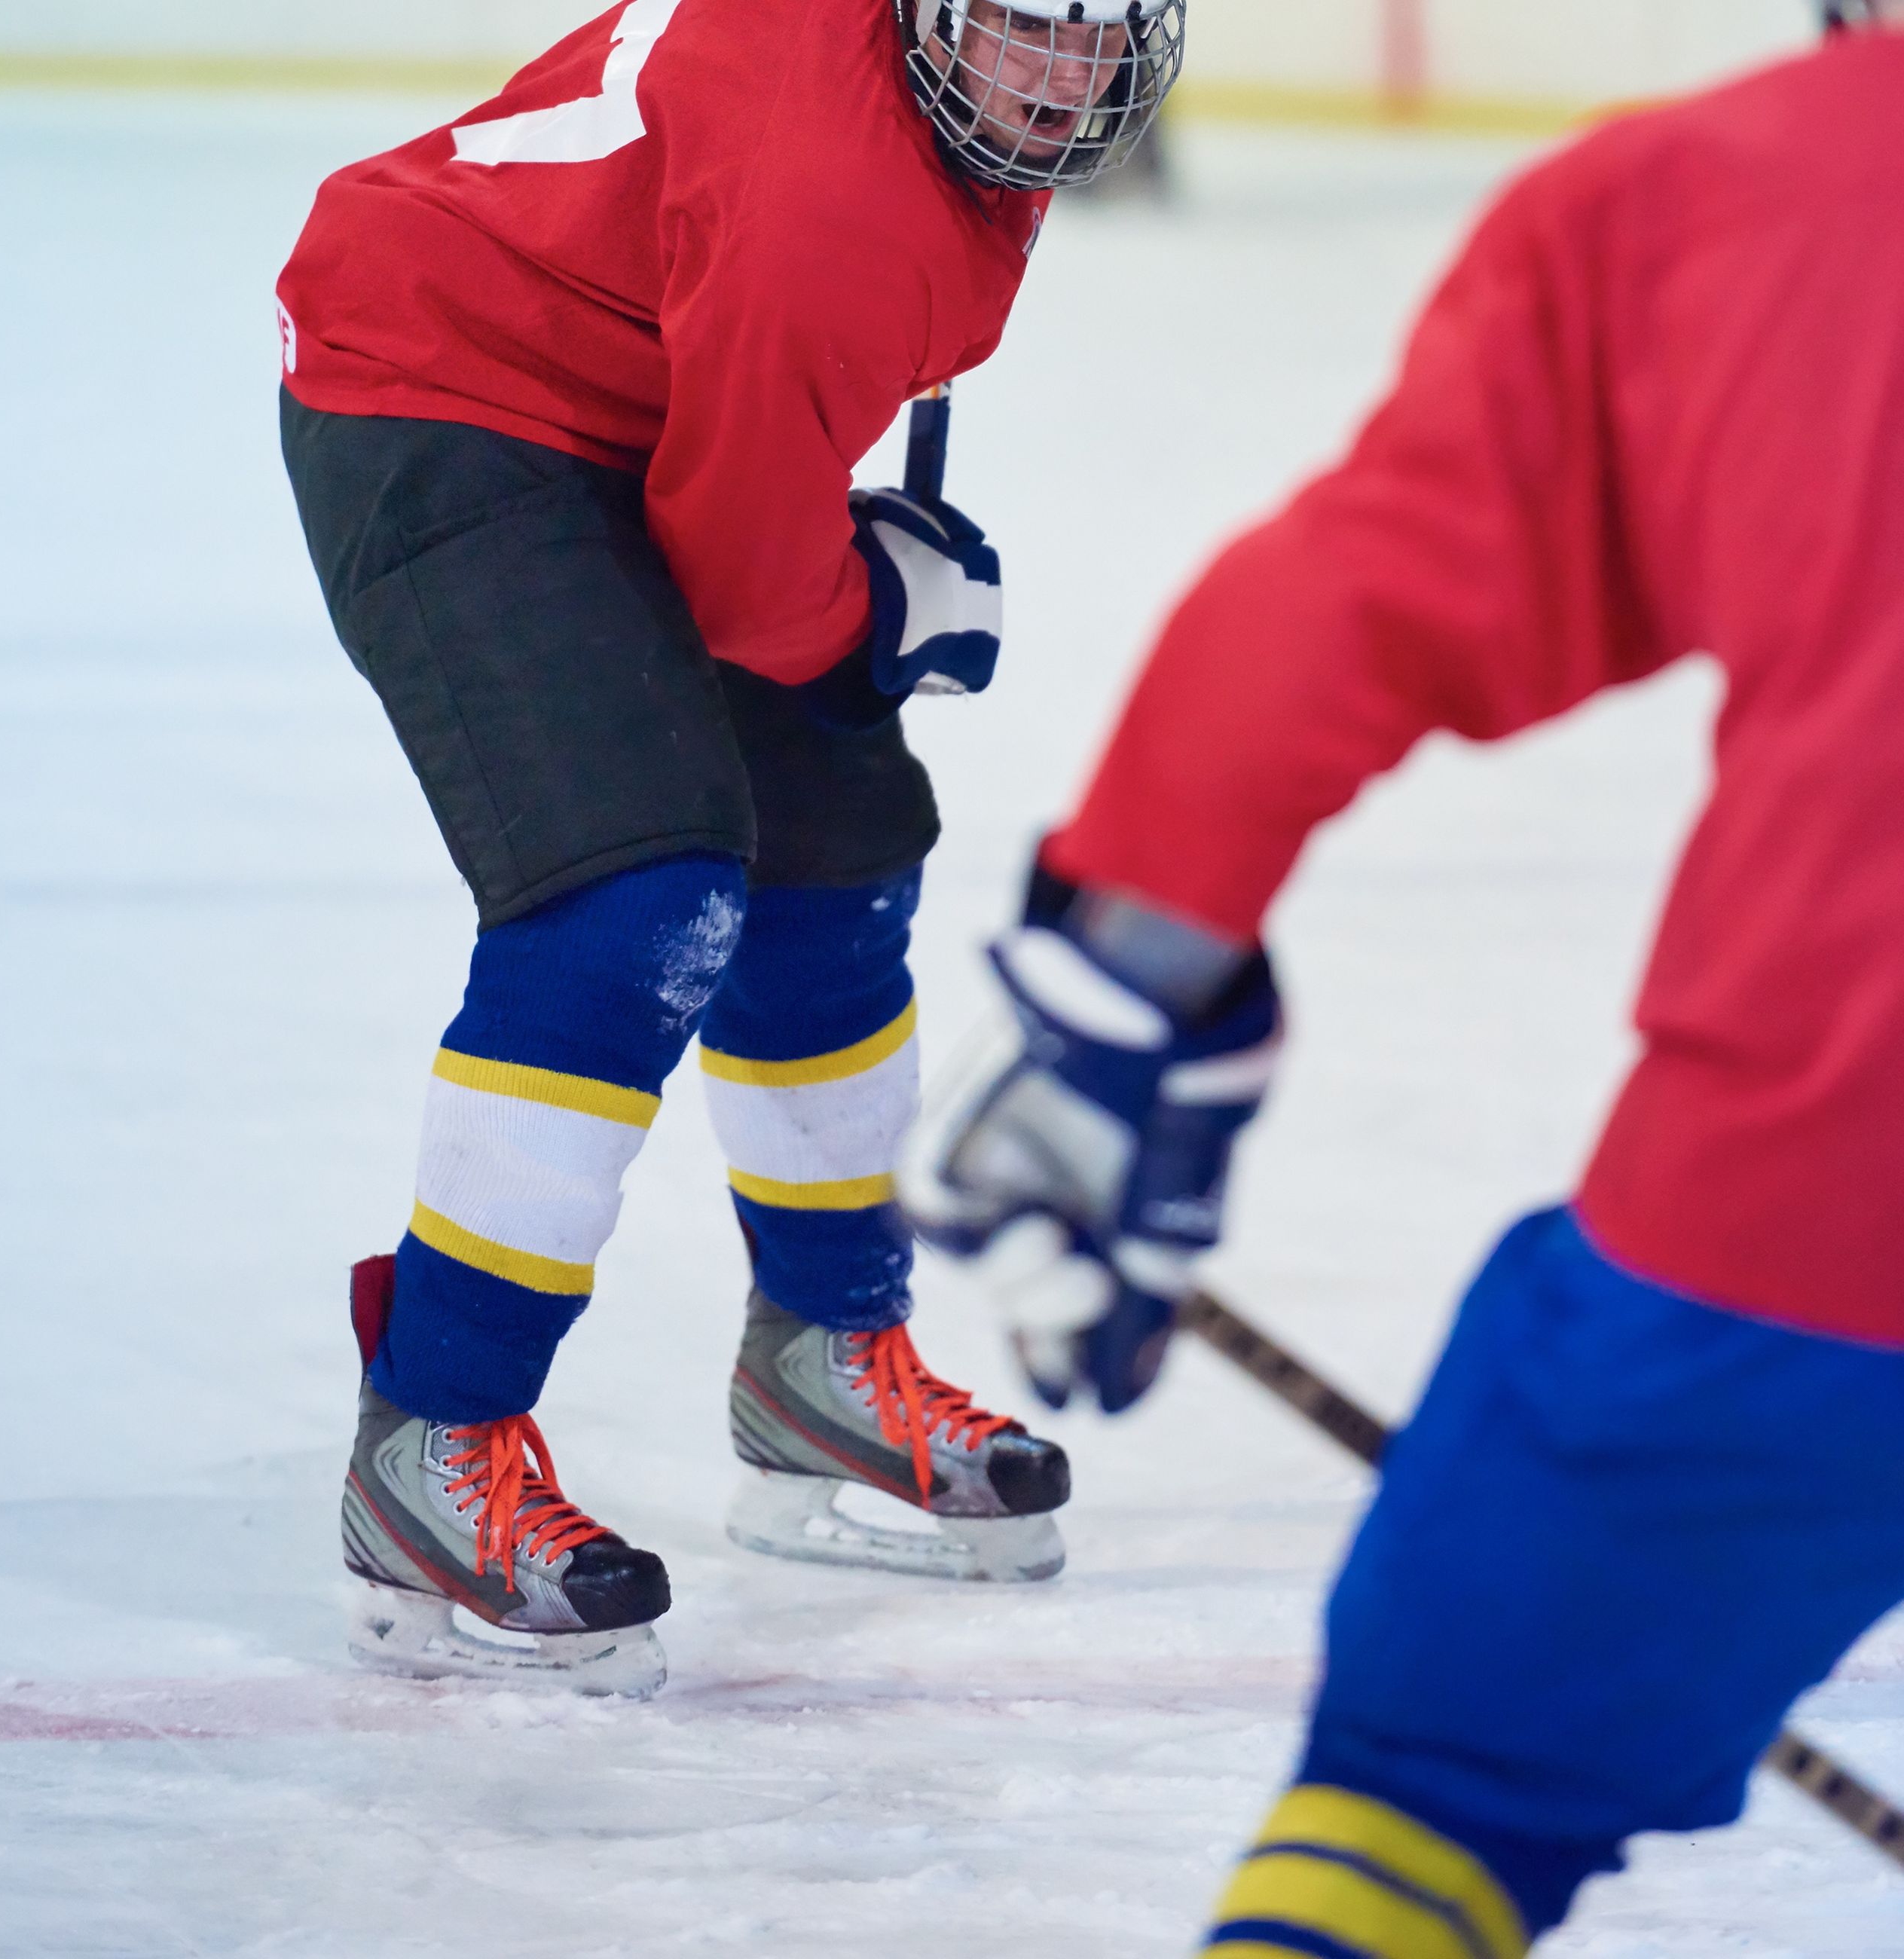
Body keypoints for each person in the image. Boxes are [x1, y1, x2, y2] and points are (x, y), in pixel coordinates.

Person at [900, 5, 1904, 1949]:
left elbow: (1350, 608)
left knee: (1434, 1794)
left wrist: (1119, 1006)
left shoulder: (1733, 194)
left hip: (1818, 1202)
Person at [274, 0, 1186, 1695]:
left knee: (833, 857)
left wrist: (837, 615)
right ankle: (434, 1440)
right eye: (1016, 34)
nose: (1057, 83)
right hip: (443, 393)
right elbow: (752, 580)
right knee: (634, 900)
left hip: (633, 393)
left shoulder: (908, 115)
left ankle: (824, 1359)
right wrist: (867, 621)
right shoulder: (832, 187)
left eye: (1094, 37)